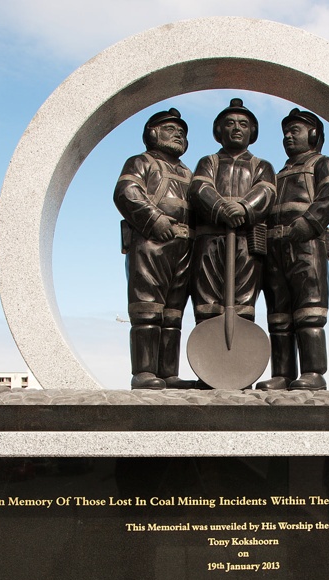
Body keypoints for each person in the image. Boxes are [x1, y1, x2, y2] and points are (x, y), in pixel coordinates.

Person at [257, 108, 329, 391]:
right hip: (275, 248)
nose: (288, 136)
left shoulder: (323, 163)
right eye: (286, 132)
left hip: (306, 247)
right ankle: (282, 373)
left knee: (309, 311)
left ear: (314, 134)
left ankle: (313, 372)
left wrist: (308, 223)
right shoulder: (278, 173)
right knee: (279, 315)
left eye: (295, 130)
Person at [113, 107, 195, 389]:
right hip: (151, 243)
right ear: (152, 133)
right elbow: (127, 193)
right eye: (170, 129)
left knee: (173, 313)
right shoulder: (141, 162)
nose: (178, 135)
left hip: (184, 247)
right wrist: (155, 219)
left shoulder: (188, 172)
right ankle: (145, 371)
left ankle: (168, 373)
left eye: (181, 132)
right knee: (147, 308)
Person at [188, 98, 275, 326]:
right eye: (230, 123)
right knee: (207, 305)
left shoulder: (261, 166)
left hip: (246, 244)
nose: (237, 128)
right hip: (210, 242)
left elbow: (266, 191)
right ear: (219, 130)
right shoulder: (209, 162)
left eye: (243, 124)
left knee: (244, 306)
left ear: (252, 132)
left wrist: (244, 207)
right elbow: (199, 189)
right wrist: (220, 207)